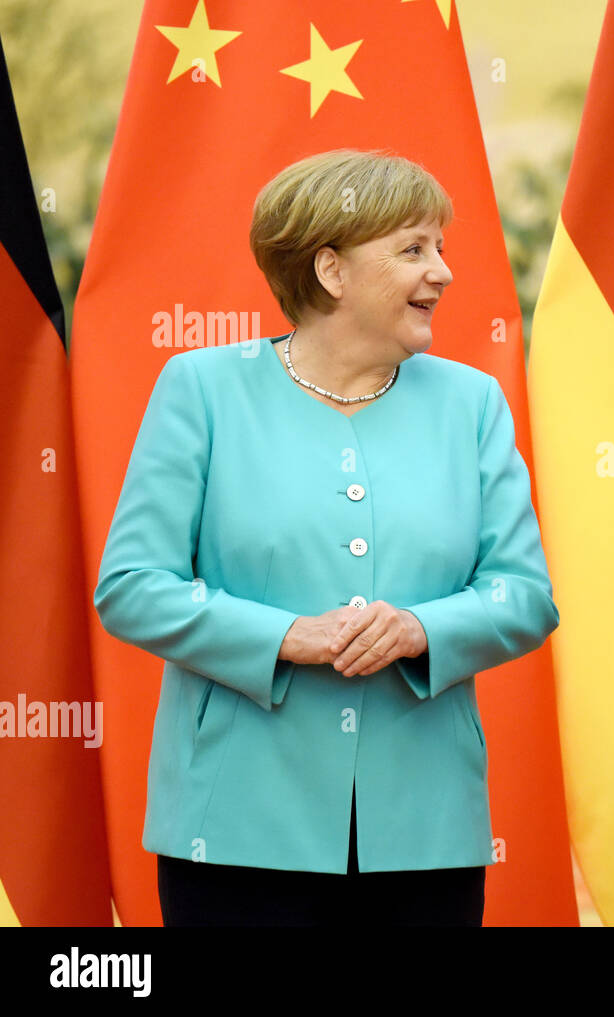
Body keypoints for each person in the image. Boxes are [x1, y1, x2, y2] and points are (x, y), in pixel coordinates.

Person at [94, 149, 559, 926]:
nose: (442, 271)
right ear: (331, 269)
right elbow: (133, 587)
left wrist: (420, 626)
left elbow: (525, 595)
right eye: (414, 249)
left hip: (424, 834)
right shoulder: (201, 389)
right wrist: (287, 636)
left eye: (440, 247)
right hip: (235, 831)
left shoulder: (472, 402)